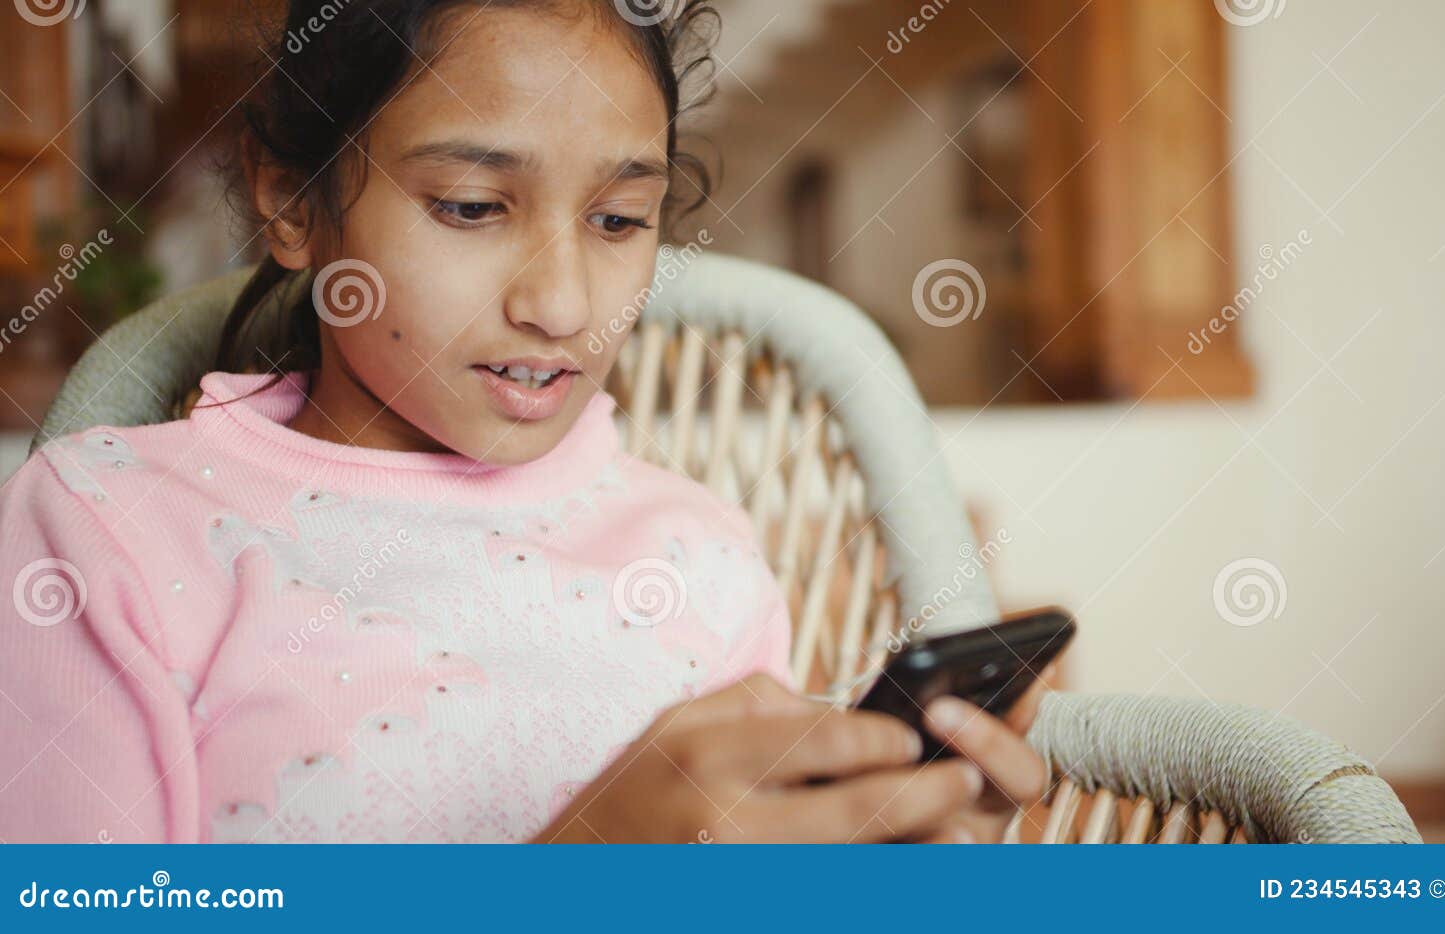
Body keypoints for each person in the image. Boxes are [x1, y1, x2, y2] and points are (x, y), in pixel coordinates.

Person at [0, 0, 1045, 844]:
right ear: (291, 200)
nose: (562, 304)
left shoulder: (701, 553)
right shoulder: (107, 529)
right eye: (470, 205)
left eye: (619, 221)